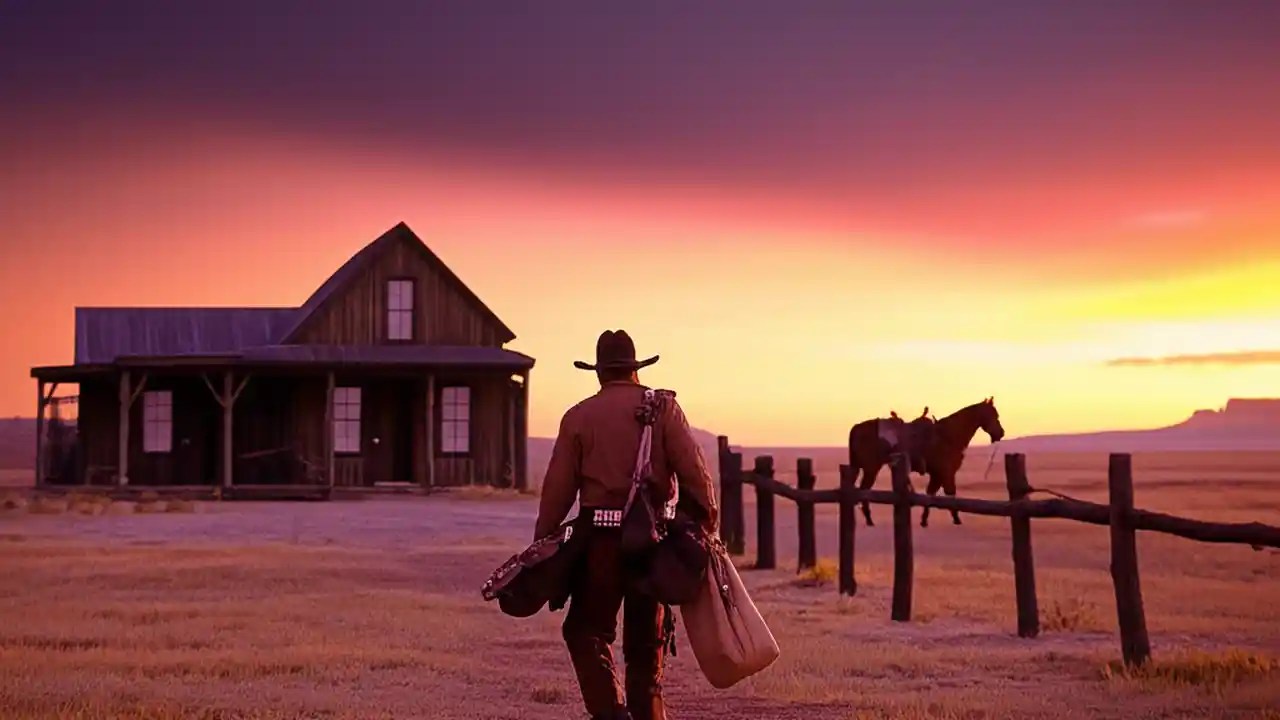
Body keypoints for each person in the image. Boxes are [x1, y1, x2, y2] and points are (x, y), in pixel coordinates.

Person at [535, 329, 719, 720]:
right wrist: (702, 530)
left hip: (598, 543)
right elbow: (696, 478)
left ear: (599, 372)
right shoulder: (664, 409)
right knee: (646, 647)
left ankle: (611, 713)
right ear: (635, 370)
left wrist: (543, 545)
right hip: (653, 541)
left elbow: (557, 492)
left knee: (585, 631)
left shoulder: (579, 416)